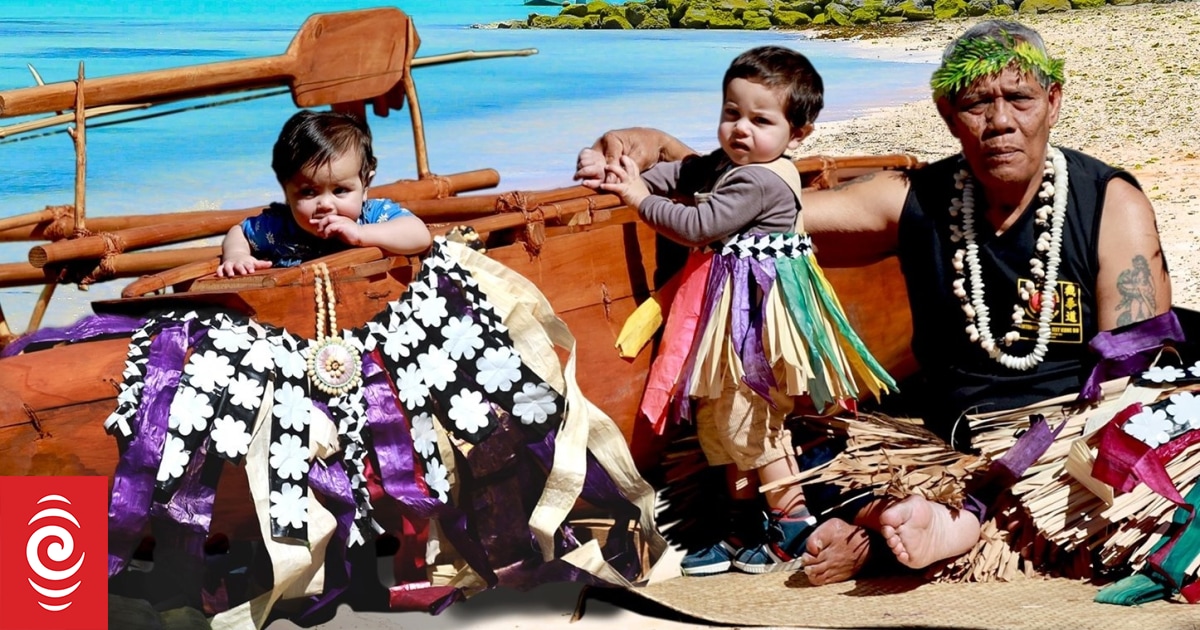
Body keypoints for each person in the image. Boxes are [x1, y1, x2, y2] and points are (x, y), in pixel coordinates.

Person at [575, 20, 1173, 584]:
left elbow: (1136, 373)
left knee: (1146, 462)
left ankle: (926, 527)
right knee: (800, 454)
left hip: (1070, 429)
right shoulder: (913, 198)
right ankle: (905, 523)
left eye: (1020, 99)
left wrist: (1033, 458)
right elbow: (758, 201)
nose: (999, 122)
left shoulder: (1109, 203)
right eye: (976, 104)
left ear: (1053, 102)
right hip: (949, 433)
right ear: (947, 114)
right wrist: (656, 146)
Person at [583, 45, 896, 576]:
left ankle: (793, 521)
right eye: (732, 113)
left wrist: (637, 198)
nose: (741, 129)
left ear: (798, 134)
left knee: (750, 421)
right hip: (731, 322)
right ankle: (742, 527)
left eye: (761, 120)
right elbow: (684, 174)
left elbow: (696, 226)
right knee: (719, 422)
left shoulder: (762, 179)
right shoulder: (732, 164)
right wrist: (621, 172)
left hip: (758, 326)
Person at [218, 110, 431, 277]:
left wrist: (362, 234)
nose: (326, 204)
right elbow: (240, 232)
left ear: (365, 185)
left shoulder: (372, 217)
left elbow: (419, 235)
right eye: (309, 192)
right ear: (286, 191)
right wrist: (237, 255)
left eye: (340, 190)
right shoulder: (280, 227)